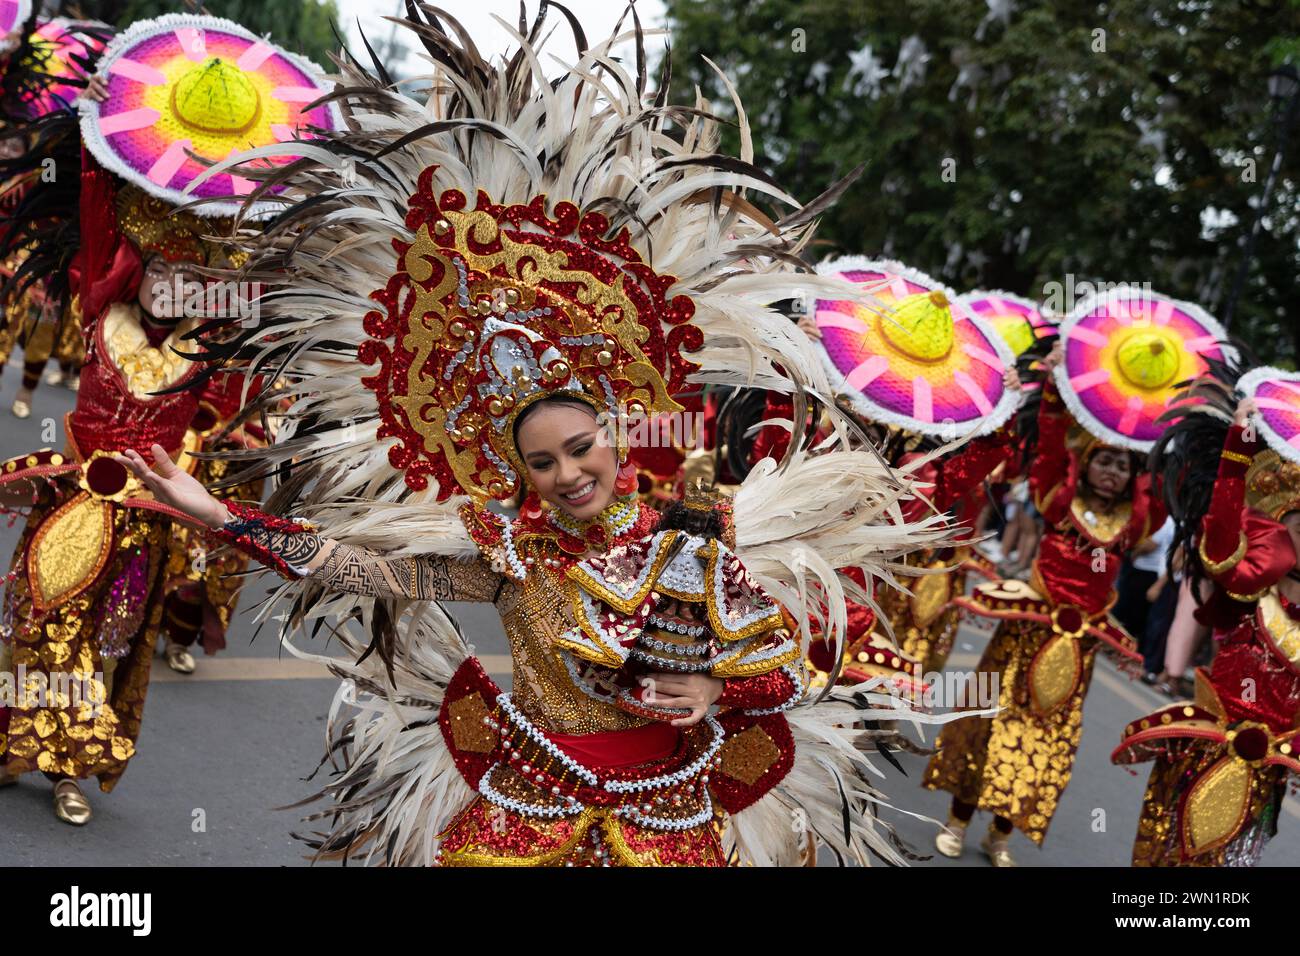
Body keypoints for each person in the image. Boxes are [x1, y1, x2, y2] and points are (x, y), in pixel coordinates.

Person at [114, 7, 968, 866]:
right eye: (542, 462)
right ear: (517, 473)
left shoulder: (696, 544)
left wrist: (713, 684)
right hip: (524, 807)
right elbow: (364, 570)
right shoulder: (508, 554)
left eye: (580, 448)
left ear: (618, 439)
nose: (568, 473)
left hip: (667, 822)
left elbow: (779, 671)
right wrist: (218, 515)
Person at [926, 341, 1166, 865]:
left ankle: (1001, 836)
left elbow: (1159, 489)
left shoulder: (1133, 527)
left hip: (1076, 653)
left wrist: (1168, 422)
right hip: (1023, 633)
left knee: (1043, 745)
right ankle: (957, 822)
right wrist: (1056, 389)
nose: (1113, 473)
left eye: (1122, 467)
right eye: (1103, 461)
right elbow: (1051, 450)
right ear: (1087, 465)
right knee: (987, 725)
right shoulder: (1058, 502)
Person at [1114, 390, 1300, 865]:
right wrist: (1238, 447)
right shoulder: (1253, 588)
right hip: (1206, 750)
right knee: (1168, 858)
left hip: (1269, 774)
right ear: (1283, 523)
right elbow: (1219, 543)